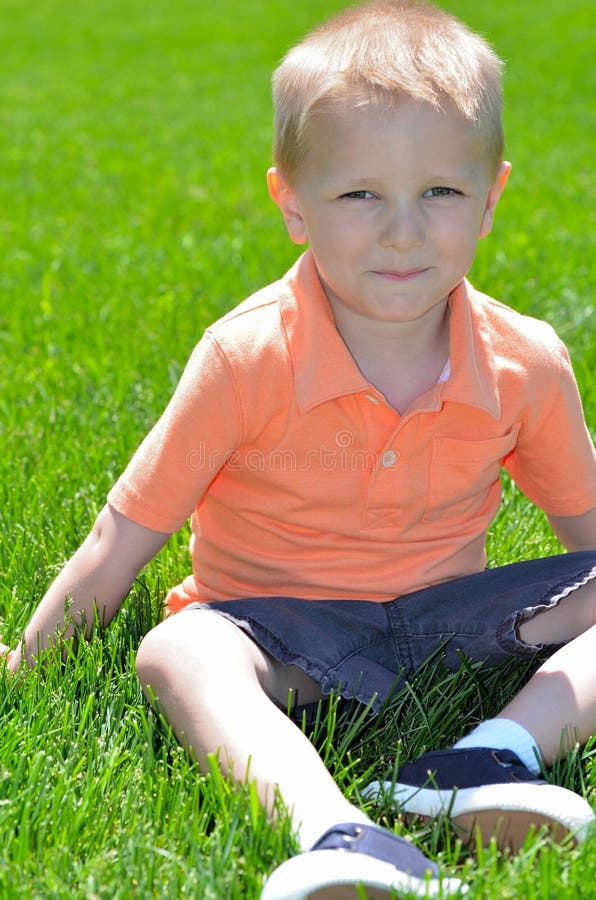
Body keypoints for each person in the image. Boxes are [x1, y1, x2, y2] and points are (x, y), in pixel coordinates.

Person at [3, 1, 596, 896]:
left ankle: (487, 757)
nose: (403, 231)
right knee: (177, 652)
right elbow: (122, 536)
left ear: (491, 198)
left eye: (440, 192)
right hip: (280, 636)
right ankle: (336, 830)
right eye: (360, 195)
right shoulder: (245, 357)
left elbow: (585, 534)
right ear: (292, 203)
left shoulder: (523, 362)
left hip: (452, 629)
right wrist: (27, 667)